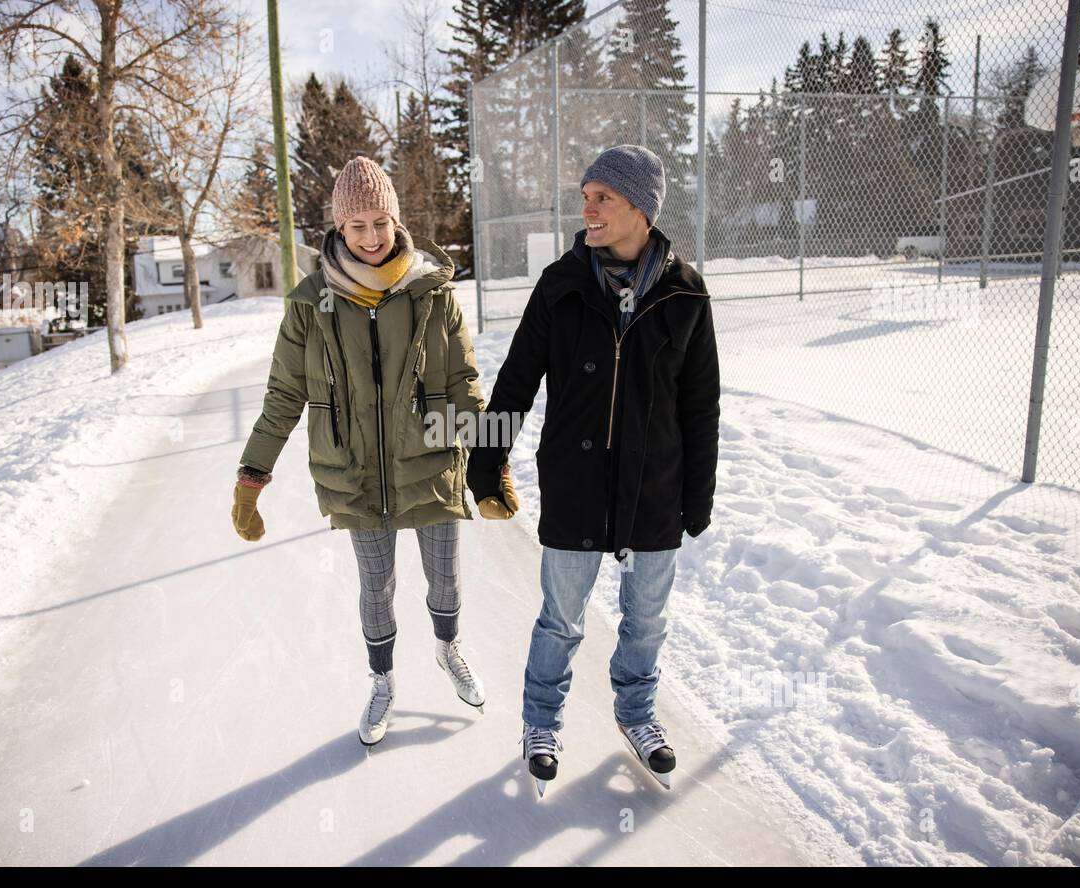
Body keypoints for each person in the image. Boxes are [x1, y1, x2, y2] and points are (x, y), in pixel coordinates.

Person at [467, 144, 720, 793]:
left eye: (601, 197)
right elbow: (516, 380)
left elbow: (701, 404)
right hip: (576, 486)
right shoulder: (562, 284)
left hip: (652, 489)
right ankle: (541, 720)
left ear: (640, 206)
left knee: (647, 620)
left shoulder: (686, 293)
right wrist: (486, 462)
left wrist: (699, 492)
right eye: (585, 196)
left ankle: (636, 713)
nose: (587, 209)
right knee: (561, 618)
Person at [231, 155, 488, 750]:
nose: (371, 238)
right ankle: (382, 681)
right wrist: (252, 475)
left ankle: (449, 650)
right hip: (352, 472)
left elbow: (462, 385)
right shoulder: (309, 304)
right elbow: (284, 395)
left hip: (429, 459)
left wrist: (489, 463)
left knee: (444, 581)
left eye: (380, 222)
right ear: (338, 230)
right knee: (376, 587)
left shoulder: (433, 293)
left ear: (396, 221)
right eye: (357, 226)